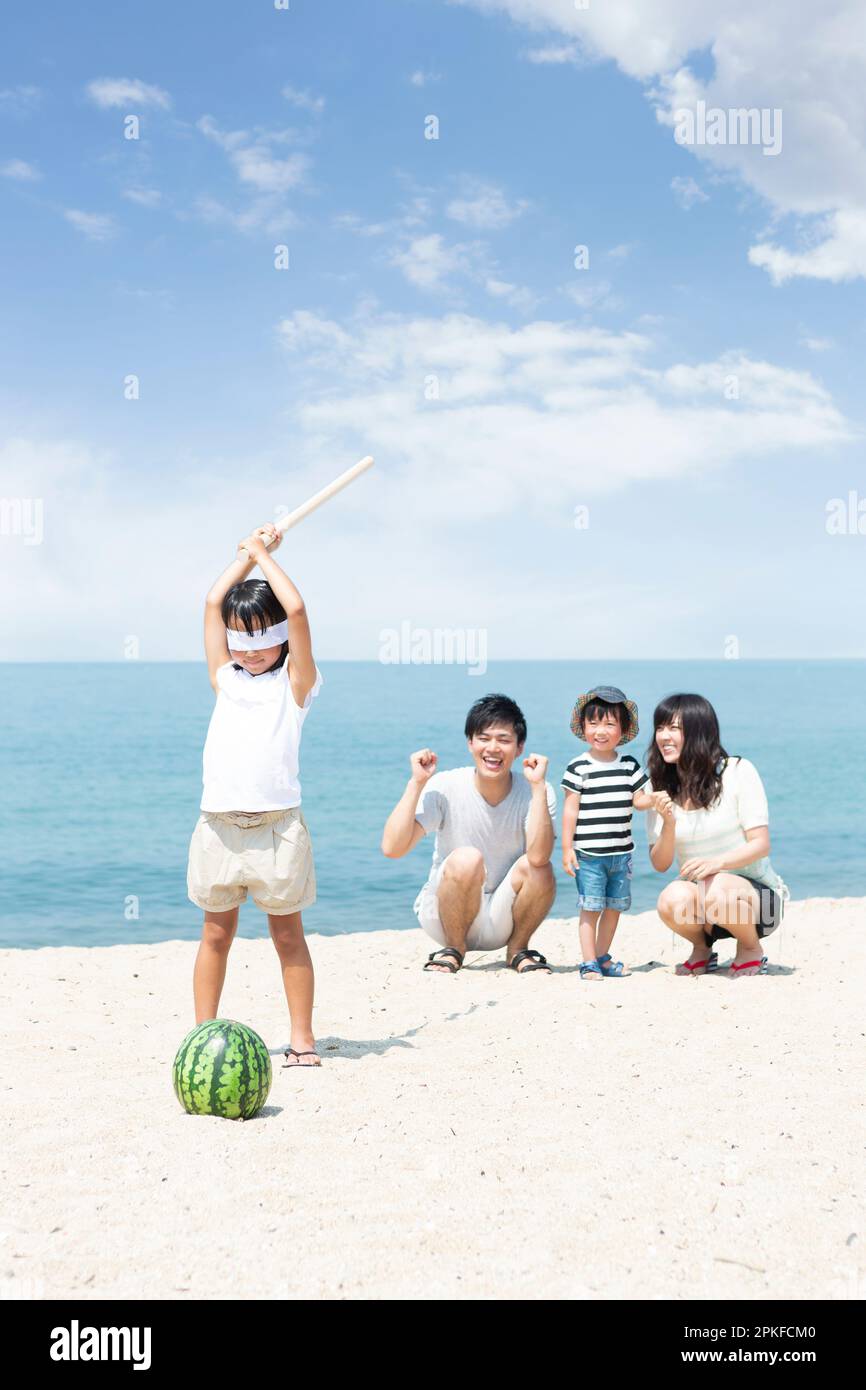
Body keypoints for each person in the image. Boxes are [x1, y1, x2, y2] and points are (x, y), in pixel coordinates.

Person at [186, 522, 324, 1064]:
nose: (251, 650)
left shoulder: (296, 685)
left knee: (287, 936)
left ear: (281, 639)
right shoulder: (226, 678)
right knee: (215, 935)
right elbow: (213, 600)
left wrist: (265, 556)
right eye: (240, 638)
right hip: (218, 825)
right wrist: (244, 554)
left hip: (276, 828)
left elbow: (298, 610)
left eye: (263, 638)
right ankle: (202, 1037)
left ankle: (302, 1040)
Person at [381, 694, 557, 974]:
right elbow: (393, 848)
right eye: (484, 738)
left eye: (504, 739)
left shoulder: (538, 791)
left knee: (541, 869)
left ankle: (518, 950)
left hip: (501, 918)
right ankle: (453, 949)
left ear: (519, 747)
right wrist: (417, 782)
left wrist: (538, 789)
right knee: (467, 858)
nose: (493, 748)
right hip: (443, 916)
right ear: (470, 743)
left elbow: (539, 856)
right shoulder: (446, 785)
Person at [645, 693, 789, 976]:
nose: (663, 736)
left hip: (758, 904)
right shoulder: (659, 786)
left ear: (699, 732)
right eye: (660, 728)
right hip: (704, 905)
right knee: (670, 898)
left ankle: (751, 948)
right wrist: (669, 824)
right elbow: (660, 864)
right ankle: (702, 948)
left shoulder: (737, 771)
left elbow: (760, 845)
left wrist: (716, 863)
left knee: (717, 884)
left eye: (674, 728)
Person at [561, 685, 654, 979]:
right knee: (590, 908)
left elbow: (639, 801)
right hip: (589, 854)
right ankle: (588, 961)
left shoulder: (629, 765)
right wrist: (566, 849)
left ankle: (602, 957)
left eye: (610, 724)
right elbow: (570, 810)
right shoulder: (578, 767)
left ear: (622, 729)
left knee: (614, 908)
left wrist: (656, 799)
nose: (600, 731)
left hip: (622, 854)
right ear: (583, 727)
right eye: (593, 723)